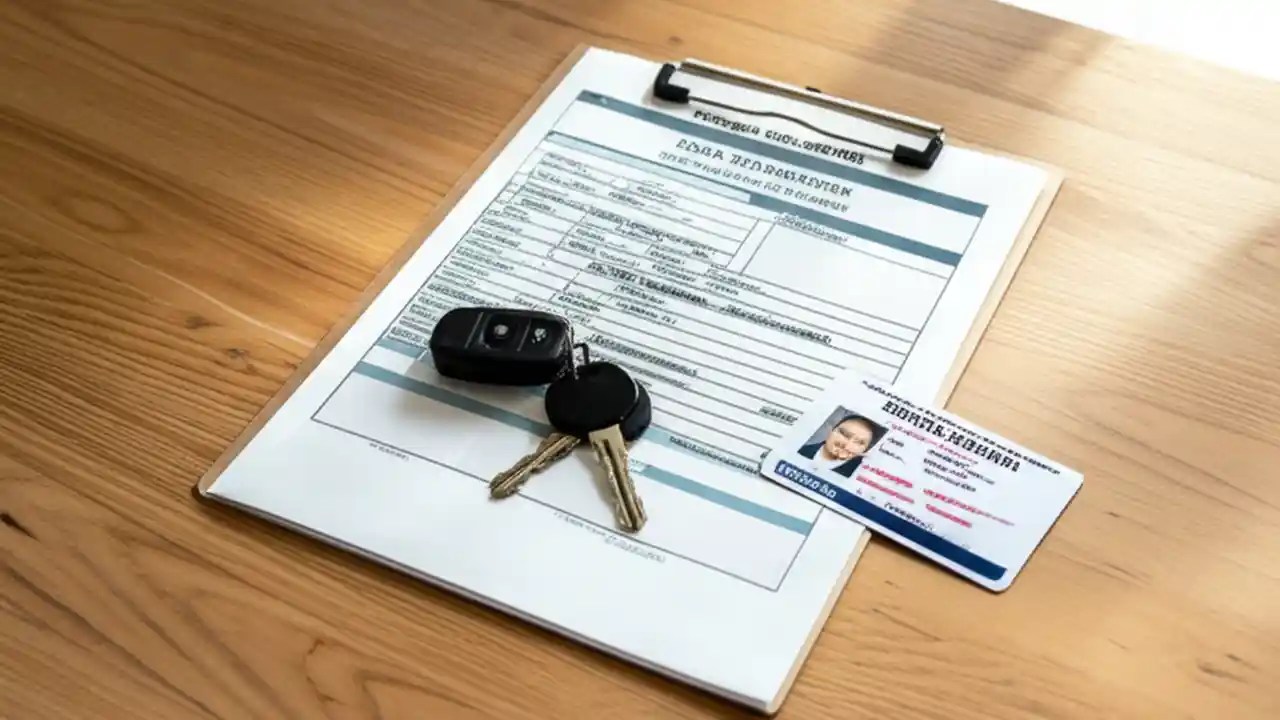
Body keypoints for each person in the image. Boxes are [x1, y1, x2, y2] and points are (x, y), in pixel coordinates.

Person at [798, 414, 880, 478]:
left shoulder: (860, 474)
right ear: (832, 430)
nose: (847, 444)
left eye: (859, 442)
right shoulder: (802, 449)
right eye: (845, 434)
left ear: (865, 450)